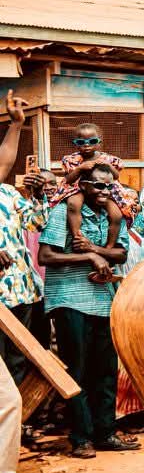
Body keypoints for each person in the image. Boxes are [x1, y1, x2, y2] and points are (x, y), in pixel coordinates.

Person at [37, 162, 138, 458]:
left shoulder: (111, 214)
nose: (104, 192)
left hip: (104, 302)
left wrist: (95, 252)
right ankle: (81, 438)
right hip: (70, 300)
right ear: (82, 185)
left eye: (109, 186)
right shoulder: (62, 212)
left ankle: (105, 433)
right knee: (77, 371)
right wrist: (89, 259)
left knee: (105, 372)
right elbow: (45, 256)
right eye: (97, 185)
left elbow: (120, 253)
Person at [0, 94, 48, 385]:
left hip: (21, 291)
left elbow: (36, 222)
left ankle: (15, 425)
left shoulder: (8, 194)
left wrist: (39, 195)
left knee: (18, 359)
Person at [53, 122, 131, 259]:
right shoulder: (71, 160)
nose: (87, 145)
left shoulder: (108, 159)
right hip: (78, 188)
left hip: (105, 190)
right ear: (75, 144)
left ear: (99, 142)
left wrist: (108, 166)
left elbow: (116, 176)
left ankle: (109, 247)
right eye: (81, 142)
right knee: (73, 204)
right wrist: (80, 169)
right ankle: (78, 237)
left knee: (117, 214)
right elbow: (69, 180)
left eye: (92, 141)